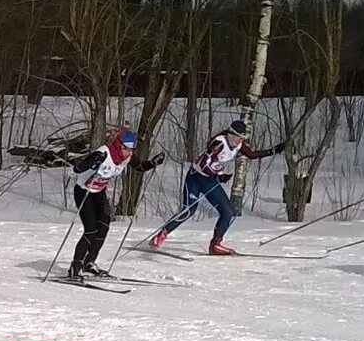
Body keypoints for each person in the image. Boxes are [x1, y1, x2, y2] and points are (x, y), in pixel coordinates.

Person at [148, 119, 286, 255]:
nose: (239, 141)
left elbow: (251, 154)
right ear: (230, 133)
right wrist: (218, 177)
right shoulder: (219, 142)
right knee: (188, 210)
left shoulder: (238, 144)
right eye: (238, 137)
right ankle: (161, 235)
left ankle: (216, 244)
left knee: (228, 212)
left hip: (210, 181)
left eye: (242, 138)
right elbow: (203, 164)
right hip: (196, 178)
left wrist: (273, 151)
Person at [66, 130, 163, 280]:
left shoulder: (127, 157)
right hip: (84, 192)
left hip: (99, 193)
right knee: (91, 230)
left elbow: (140, 167)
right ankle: (75, 266)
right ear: (118, 145)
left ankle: (89, 263)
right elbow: (78, 168)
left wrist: (153, 163)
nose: (128, 153)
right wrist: (93, 162)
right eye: (126, 149)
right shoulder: (104, 153)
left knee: (104, 225)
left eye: (131, 150)